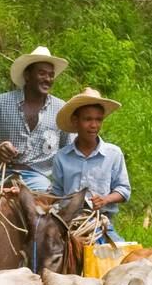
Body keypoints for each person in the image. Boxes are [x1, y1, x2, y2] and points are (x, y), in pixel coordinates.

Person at [0, 45, 71, 194]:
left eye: (51, 75)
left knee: (47, 213)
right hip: (0, 174)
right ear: (27, 75)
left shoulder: (61, 109)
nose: (48, 79)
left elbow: (69, 149)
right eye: (41, 73)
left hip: (38, 178)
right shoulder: (1, 103)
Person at [52, 88, 131, 244]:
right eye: (88, 119)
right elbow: (56, 194)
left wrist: (105, 199)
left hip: (101, 224)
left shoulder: (113, 154)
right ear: (75, 121)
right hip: (69, 224)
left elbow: (124, 190)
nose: (94, 125)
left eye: (99, 119)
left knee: (122, 258)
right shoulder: (61, 157)